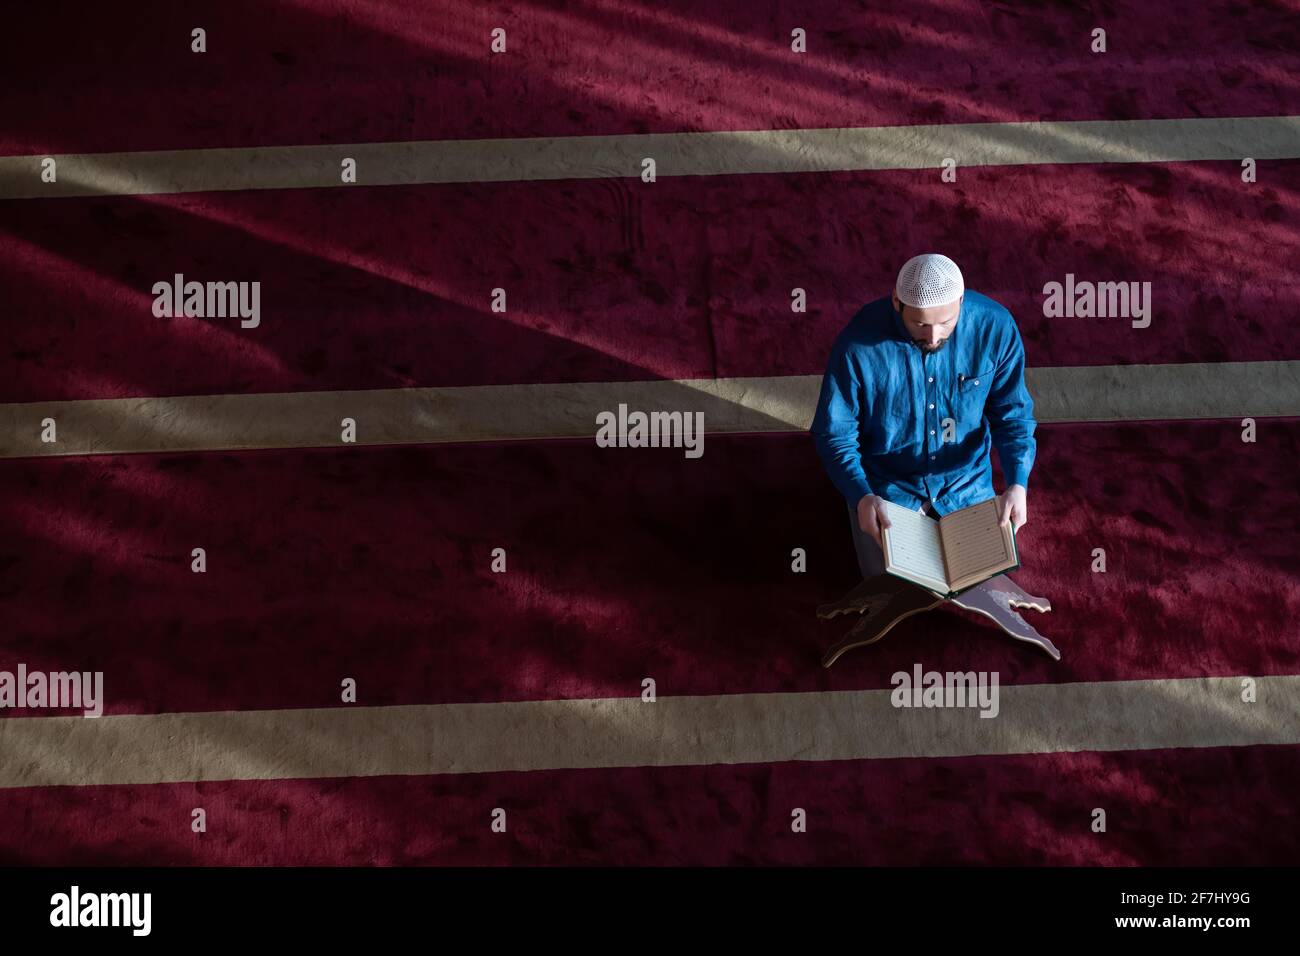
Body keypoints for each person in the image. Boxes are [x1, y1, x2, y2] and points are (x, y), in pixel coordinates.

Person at [810, 253, 1037, 579]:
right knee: (892, 587)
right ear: (896, 302)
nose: (933, 337)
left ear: (961, 300)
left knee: (984, 581)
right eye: (919, 323)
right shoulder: (856, 342)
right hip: (888, 486)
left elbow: (1012, 416)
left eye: (946, 323)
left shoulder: (995, 327)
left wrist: (1018, 483)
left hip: (965, 482)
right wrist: (860, 495)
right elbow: (835, 432)